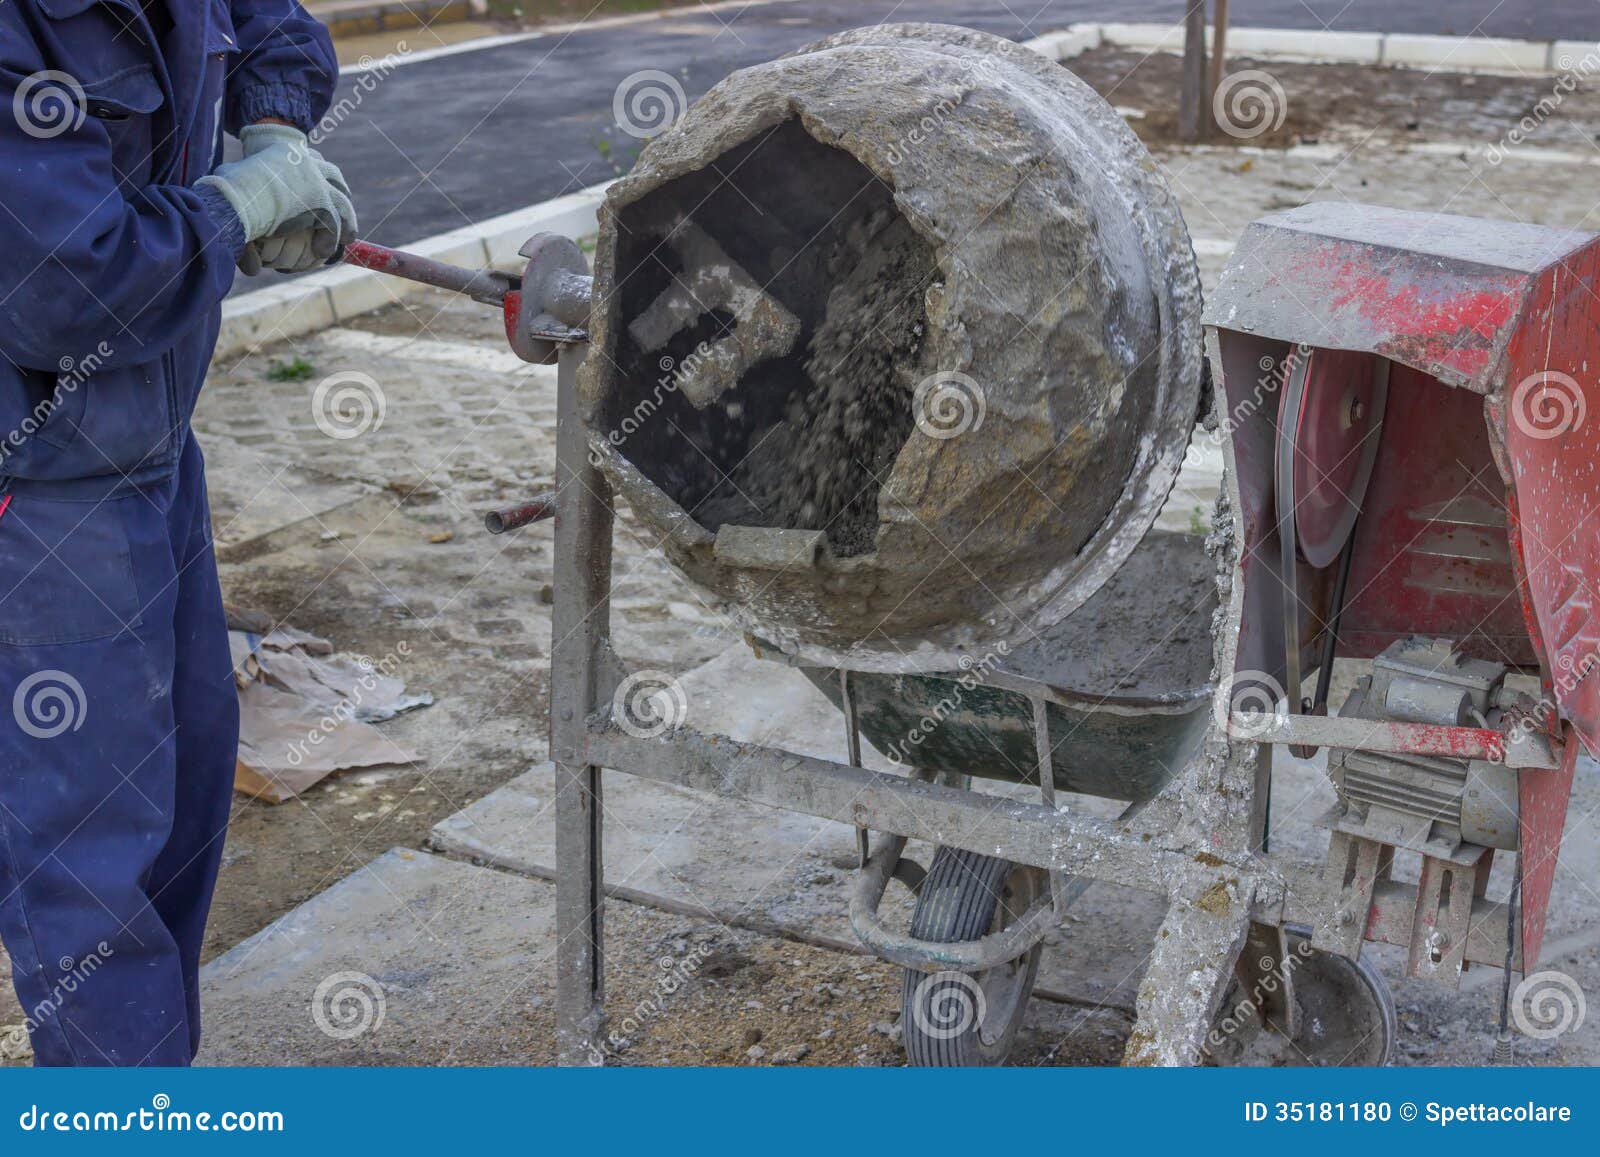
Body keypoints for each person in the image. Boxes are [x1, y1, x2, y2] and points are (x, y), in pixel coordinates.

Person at [0, 0, 358, 1066]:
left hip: (156, 458)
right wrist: (235, 210)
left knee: (184, 814)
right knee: (90, 878)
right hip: (40, 491)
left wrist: (277, 134)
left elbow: (277, 31)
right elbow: (65, 286)